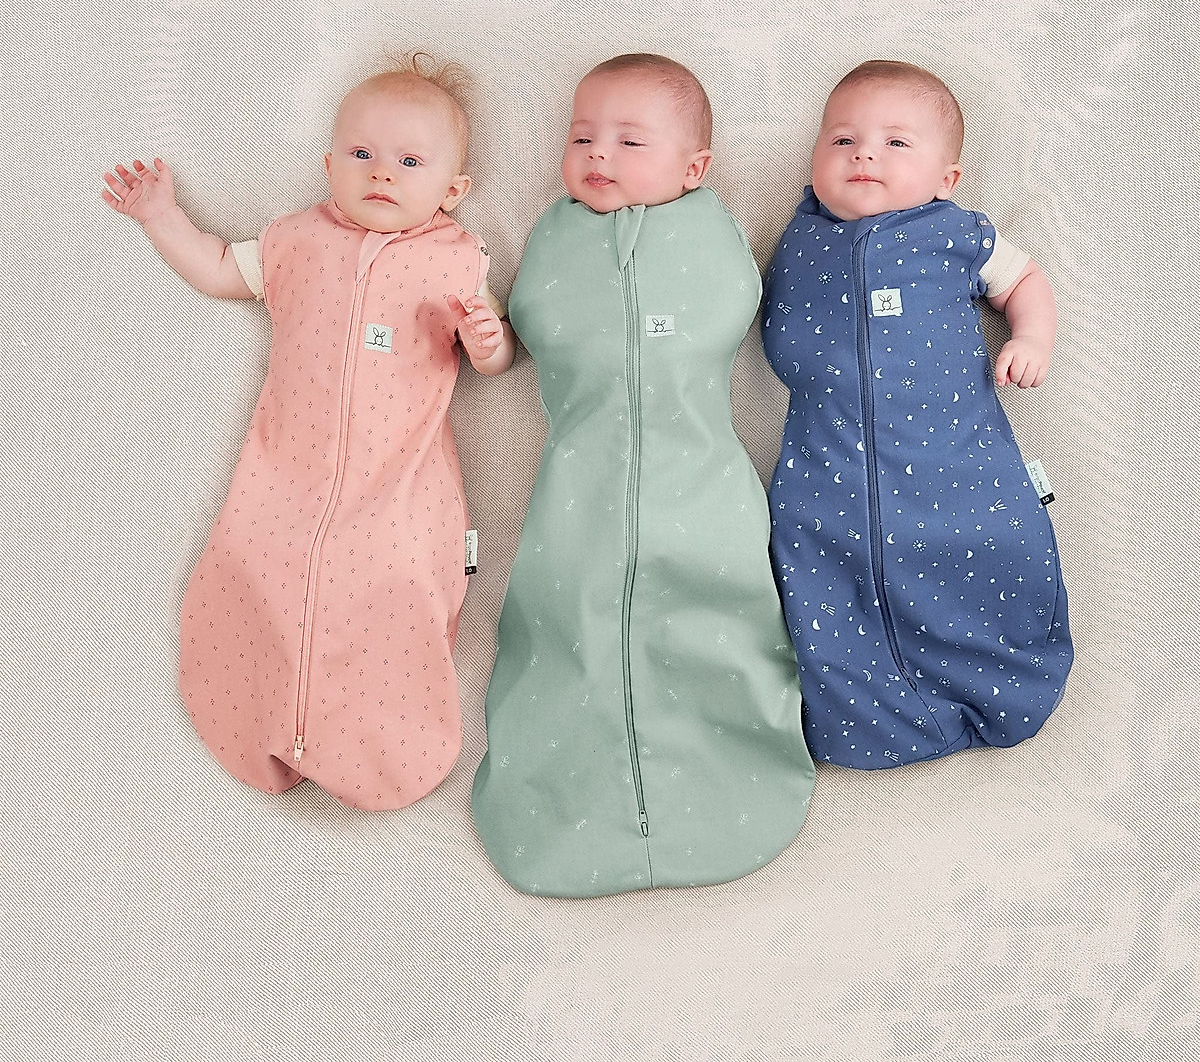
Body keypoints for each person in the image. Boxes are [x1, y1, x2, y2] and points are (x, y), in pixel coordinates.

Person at [102, 58, 514, 809]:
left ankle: (374, 742)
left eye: (410, 162)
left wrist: (490, 340)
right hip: (285, 477)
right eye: (361, 153)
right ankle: (262, 717)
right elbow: (219, 269)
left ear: (452, 191)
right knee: (262, 571)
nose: (381, 172)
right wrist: (161, 216)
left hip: (399, 487)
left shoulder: (455, 260)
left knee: (393, 591)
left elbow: (496, 359)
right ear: (329, 166)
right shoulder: (296, 240)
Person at [471, 54, 814, 897]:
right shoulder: (555, 238)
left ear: (694, 168)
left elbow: (735, 307)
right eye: (582, 137)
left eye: (630, 141)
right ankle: (570, 806)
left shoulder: (710, 232)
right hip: (577, 491)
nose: (599, 154)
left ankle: (722, 781)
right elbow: (533, 330)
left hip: (701, 483)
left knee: (719, 620)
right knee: (570, 626)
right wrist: (494, 339)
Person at [762, 59, 1072, 769]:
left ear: (946, 178)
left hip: (954, 467)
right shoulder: (801, 239)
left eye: (895, 142)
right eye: (843, 140)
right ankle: (864, 720)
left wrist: (1031, 337)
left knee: (982, 558)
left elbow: (1023, 278)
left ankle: (998, 685)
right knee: (825, 588)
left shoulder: (956, 232)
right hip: (826, 473)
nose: (864, 154)